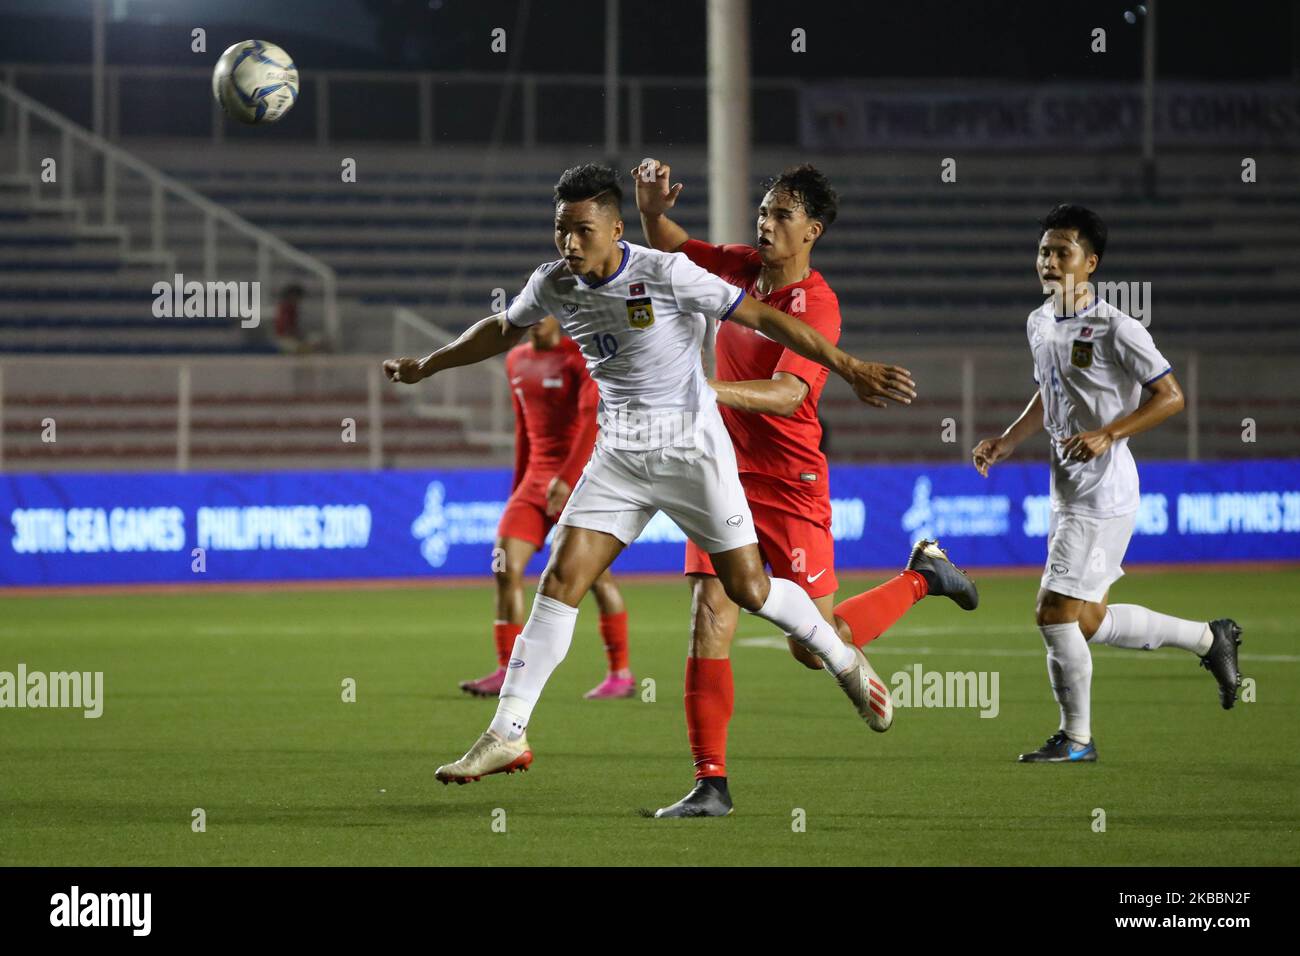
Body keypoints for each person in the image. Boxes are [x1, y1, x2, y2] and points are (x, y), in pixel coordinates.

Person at [384, 163, 918, 790]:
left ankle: (842, 660)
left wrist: (849, 366)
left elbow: (766, 320)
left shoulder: (665, 273)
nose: (569, 244)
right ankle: (508, 734)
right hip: (622, 455)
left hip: (693, 450)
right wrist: (429, 365)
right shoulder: (554, 283)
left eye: (583, 230)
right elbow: (502, 329)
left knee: (749, 588)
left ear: (614, 229)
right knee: (561, 578)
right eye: (561, 230)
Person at [634, 158, 978, 816]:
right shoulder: (737, 267)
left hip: (791, 480)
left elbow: (790, 395)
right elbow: (671, 247)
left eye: (781, 215)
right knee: (710, 615)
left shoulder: (817, 304)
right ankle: (712, 784)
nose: (765, 223)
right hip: (724, 474)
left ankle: (922, 576)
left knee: (812, 646)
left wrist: (705, 392)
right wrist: (650, 210)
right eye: (763, 212)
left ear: (812, 230)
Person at [971, 203, 1243, 764]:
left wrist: (1109, 433)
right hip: (1066, 489)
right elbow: (1049, 391)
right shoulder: (1039, 321)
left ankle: (1076, 739)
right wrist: (1007, 439)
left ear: (1090, 263)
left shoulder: (1119, 327)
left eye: (1062, 252)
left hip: (1103, 494)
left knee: (1053, 612)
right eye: (1044, 251)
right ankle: (1209, 639)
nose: (1049, 261)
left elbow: (1171, 397)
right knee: (1088, 620)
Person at [461, 314, 634, 701]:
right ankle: (507, 669)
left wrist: (569, 478)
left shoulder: (579, 358)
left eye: (545, 309)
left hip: (577, 481)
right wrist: (518, 486)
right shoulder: (515, 359)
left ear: (560, 312)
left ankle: (620, 673)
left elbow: (593, 421)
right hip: (534, 483)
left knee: (595, 578)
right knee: (504, 565)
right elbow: (523, 428)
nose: (536, 318)